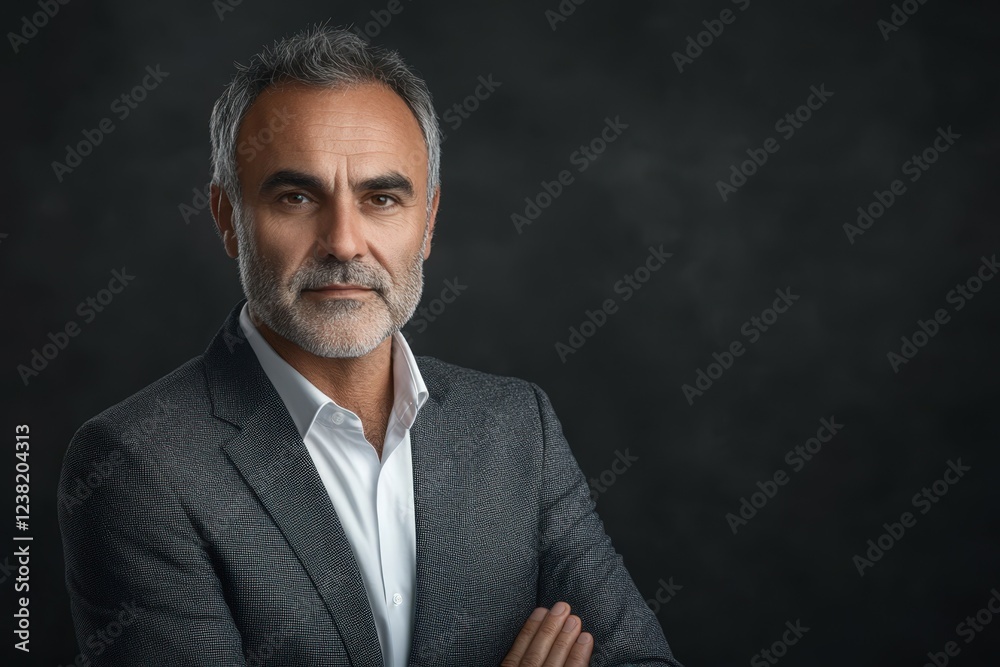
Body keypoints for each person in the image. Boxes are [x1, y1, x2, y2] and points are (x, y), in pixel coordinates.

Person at [57, 24, 683, 667]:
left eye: (381, 198)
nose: (345, 242)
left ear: (429, 221)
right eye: (297, 196)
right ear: (227, 218)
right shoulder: (135, 464)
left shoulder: (518, 428)